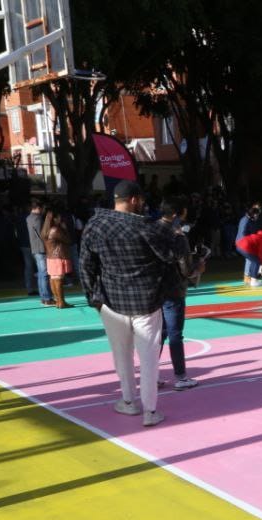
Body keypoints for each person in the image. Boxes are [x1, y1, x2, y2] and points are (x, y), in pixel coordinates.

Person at [79, 181, 182, 428]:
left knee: (121, 355)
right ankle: (150, 411)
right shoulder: (146, 227)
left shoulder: (95, 225)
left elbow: (85, 265)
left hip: (111, 302)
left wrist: (93, 298)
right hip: (146, 301)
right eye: (142, 199)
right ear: (134, 199)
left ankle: (128, 401)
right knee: (148, 359)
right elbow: (169, 258)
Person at [154, 197, 205, 390]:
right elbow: (186, 269)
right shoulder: (178, 236)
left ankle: (151, 374)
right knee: (175, 333)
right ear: (177, 214)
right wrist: (198, 268)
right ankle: (181, 377)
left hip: (154, 288)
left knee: (158, 333)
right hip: (173, 289)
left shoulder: (150, 230)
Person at [41, 203, 73, 308]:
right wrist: (65, 229)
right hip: (58, 257)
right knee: (58, 278)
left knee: (53, 278)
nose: (61, 219)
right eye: (59, 217)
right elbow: (68, 240)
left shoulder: (46, 230)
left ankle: (58, 301)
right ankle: (61, 302)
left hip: (50, 257)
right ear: (55, 218)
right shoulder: (56, 230)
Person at [26, 198, 53, 305]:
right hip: (41, 248)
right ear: (38, 208)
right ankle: (47, 297)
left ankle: (44, 296)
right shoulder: (38, 219)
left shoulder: (29, 218)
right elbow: (42, 234)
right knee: (44, 273)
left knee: (41, 273)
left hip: (35, 247)